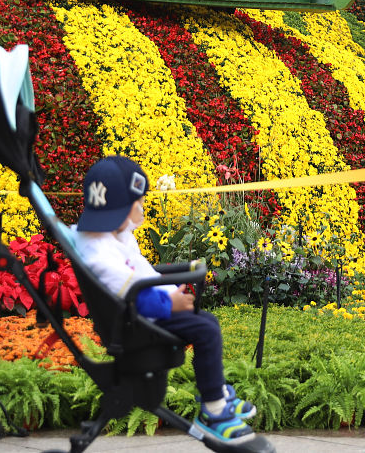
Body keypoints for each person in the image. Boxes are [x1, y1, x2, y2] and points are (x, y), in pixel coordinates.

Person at [73, 156, 258, 444]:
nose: (143, 208)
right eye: (140, 203)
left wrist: (171, 289)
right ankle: (213, 410)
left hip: (143, 310)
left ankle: (215, 391)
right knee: (206, 330)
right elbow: (128, 294)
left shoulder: (110, 238)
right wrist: (170, 303)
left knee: (206, 322)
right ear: (123, 208)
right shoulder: (102, 256)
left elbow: (137, 277)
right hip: (141, 321)